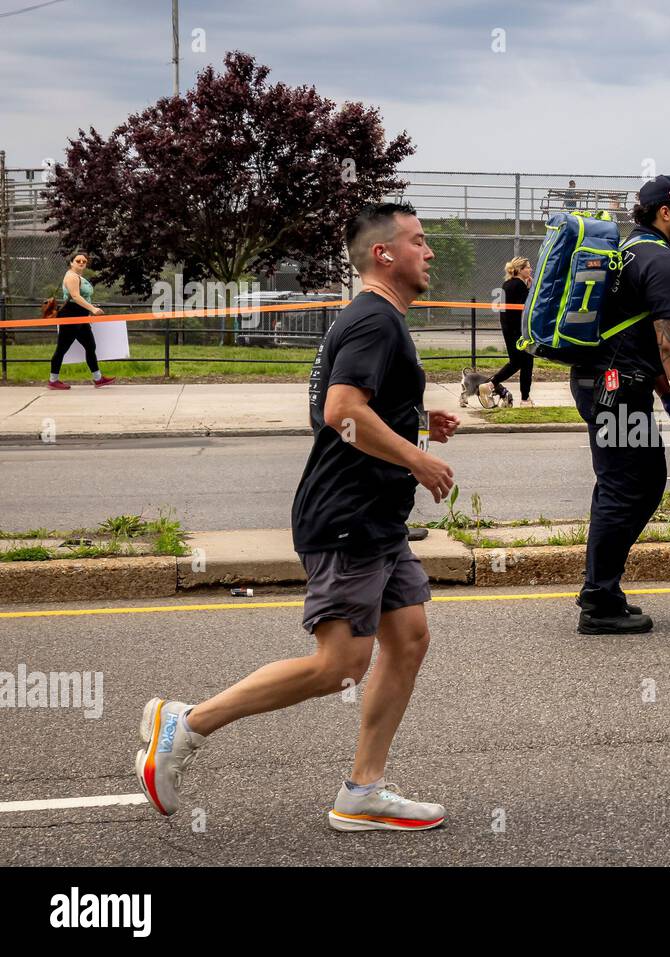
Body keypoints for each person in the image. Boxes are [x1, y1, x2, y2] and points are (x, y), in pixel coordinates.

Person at [135, 202, 461, 831]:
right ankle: (187, 724)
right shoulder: (373, 319)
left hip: (376, 520)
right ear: (383, 254)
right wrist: (417, 457)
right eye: (419, 242)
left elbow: (351, 409)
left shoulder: (375, 319)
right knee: (337, 665)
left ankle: (363, 790)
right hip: (347, 516)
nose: (431, 252)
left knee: (410, 637)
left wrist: (420, 421)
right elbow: (342, 411)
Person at [570, 174, 670, 635]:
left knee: (634, 483)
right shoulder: (664, 263)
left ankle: (602, 590)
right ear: (664, 213)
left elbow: (633, 338)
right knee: (627, 487)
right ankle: (598, 601)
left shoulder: (626, 253)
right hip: (616, 391)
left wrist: (669, 401)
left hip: (602, 384)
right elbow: (669, 346)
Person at [48, 251, 115, 389]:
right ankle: (53, 380)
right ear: (71, 262)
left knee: (90, 346)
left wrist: (89, 308)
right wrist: (92, 309)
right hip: (71, 316)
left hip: (80, 316)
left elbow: (82, 297)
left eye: (84, 261)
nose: (81, 263)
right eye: (78, 261)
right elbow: (76, 297)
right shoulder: (72, 276)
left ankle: (98, 378)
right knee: (62, 348)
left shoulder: (78, 276)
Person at [480, 257, 535, 408]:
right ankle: (491, 385)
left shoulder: (507, 284)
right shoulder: (519, 285)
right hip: (518, 330)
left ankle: (525, 398)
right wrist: (529, 289)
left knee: (525, 362)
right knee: (520, 362)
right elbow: (527, 307)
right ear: (520, 269)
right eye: (528, 267)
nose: (530, 270)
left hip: (508, 328)